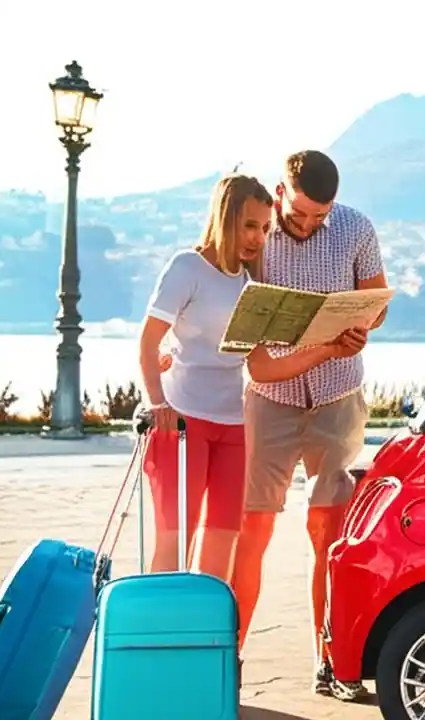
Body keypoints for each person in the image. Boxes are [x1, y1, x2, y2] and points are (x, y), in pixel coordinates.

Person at [137, 173, 367, 584]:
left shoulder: (248, 285)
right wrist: (158, 402)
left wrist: (328, 349)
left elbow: (261, 368)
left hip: (234, 427)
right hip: (182, 422)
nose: (259, 237)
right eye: (249, 225)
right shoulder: (187, 268)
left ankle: (205, 644)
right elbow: (148, 341)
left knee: (222, 545)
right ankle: (161, 641)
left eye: (264, 228)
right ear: (225, 218)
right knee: (175, 543)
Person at [230, 150, 387, 700]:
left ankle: (331, 660)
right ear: (281, 191)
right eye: (299, 212)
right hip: (269, 399)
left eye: (319, 215)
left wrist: (362, 324)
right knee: (252, 535)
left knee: (330, 534)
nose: (308, 223)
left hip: (338, 398)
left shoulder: (356, 228)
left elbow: (377, 301)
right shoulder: (255, 233)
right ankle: (231, 659)